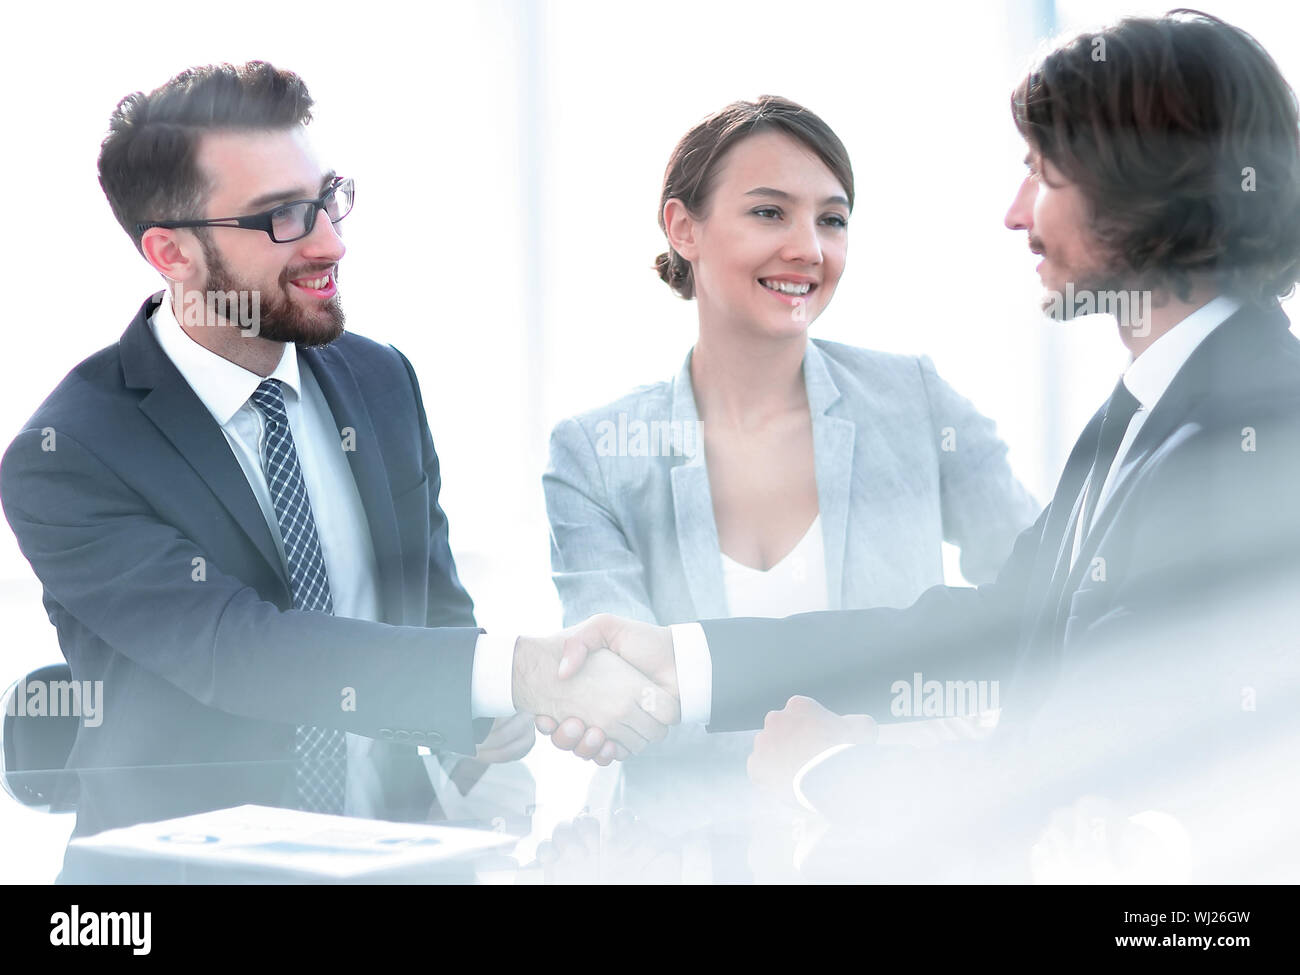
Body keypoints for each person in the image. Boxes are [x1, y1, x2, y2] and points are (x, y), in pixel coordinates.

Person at [538, 11, 1300, 876]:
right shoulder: (1137, 410)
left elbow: (1093, 755)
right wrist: (690, 658)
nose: (1016, 214)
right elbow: (993, 624)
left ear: (1148, 187)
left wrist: (828, 772)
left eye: (1042, 175)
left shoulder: (1258, 431)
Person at [0, 61, 674, 836]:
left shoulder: (378, 378)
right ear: (172, 253)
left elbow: (431, 607)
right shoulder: (72, 453)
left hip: (394, 857)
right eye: (281, 216)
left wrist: (485, 717)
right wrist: (513, 673)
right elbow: (240, 649)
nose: (331, 243)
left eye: (327, 200)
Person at [542, 97, 1038, 773]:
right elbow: (627, 692)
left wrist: (961, 718)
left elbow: (1044, 596)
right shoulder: (596, 455)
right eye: (769, 211)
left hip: (896, 845)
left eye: (831, 220)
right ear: (683, 227)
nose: (808, 248)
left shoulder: (914, 404)